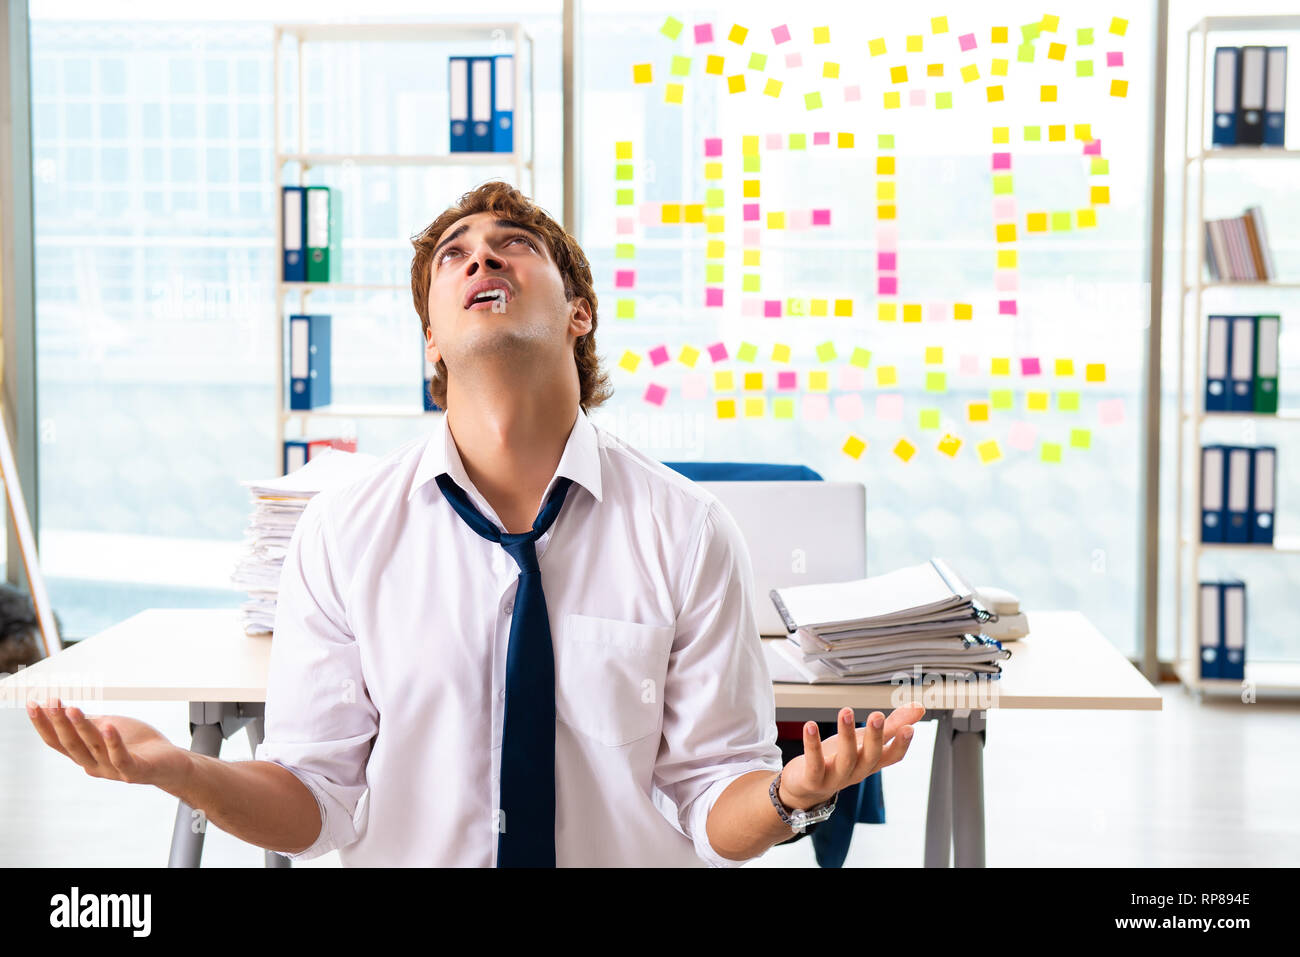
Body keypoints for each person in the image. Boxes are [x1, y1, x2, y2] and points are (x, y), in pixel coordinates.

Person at [27, 180, 924, 866]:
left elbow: (709, 801)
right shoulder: (345, 534)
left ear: (578, 313)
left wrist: (790, 792)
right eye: (455, 255)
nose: (480, 260)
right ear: (432, 340)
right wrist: (186, 773)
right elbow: (314, 798)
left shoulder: (686, 530)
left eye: (513, 246)